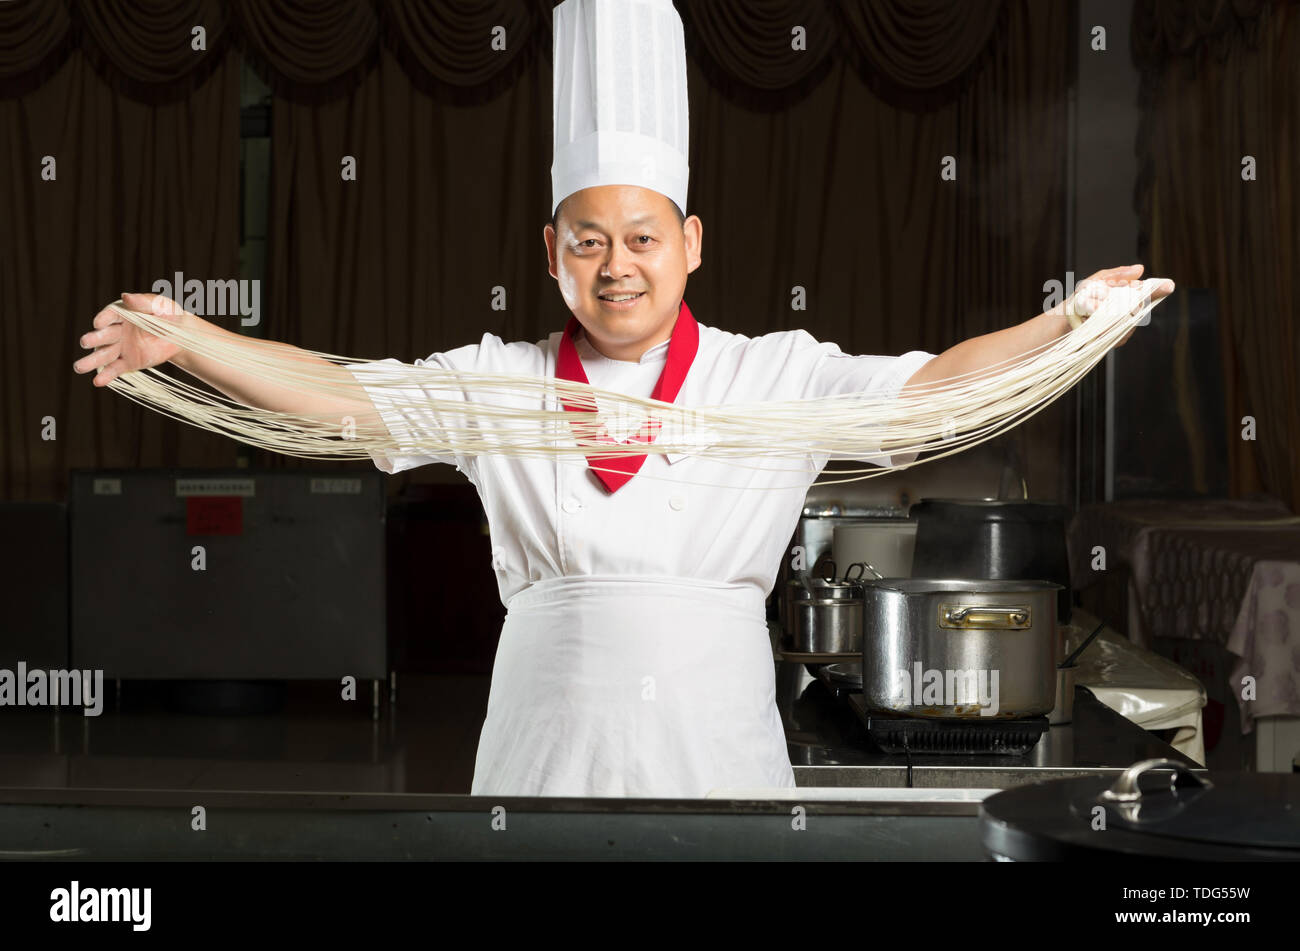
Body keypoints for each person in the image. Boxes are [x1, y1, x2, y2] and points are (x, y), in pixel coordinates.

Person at [73, 0, 1173, 798]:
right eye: (588, 241)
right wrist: (190, 336)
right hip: (543, 755)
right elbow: (342, 400)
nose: (617, 267)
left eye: (642, 239)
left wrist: (1065, 324)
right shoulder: (500, 382)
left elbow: (931, 388)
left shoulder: (770, 376)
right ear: (550, 252)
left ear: (689, 245)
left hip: (717, 754)